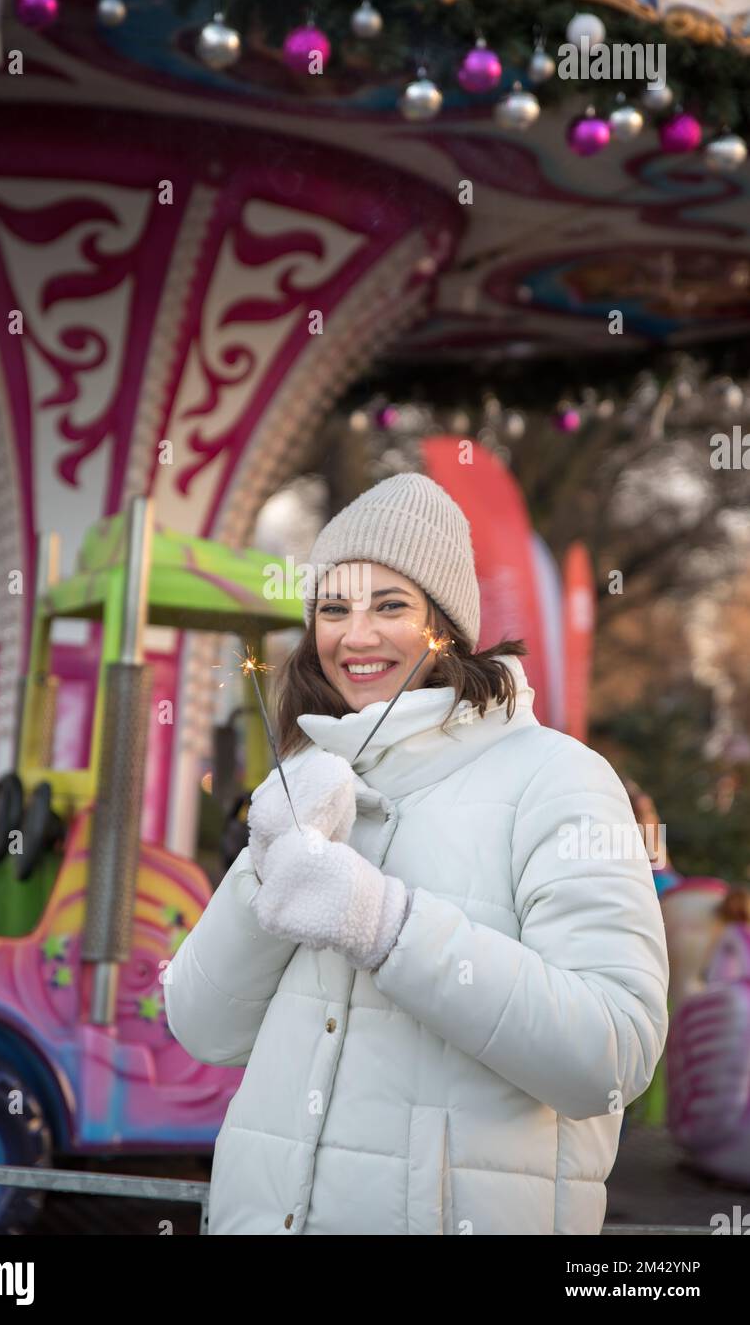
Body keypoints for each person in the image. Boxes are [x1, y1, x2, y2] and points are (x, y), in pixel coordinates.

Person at [163, 473, 670, 1235]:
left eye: (390, 606)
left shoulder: (556, 779)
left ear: (447, 627)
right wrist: (266, 865)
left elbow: (611, 1059)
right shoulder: (311, 780)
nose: (355, 636)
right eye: (332, 609)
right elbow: (203, 1028)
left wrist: (385, 925)